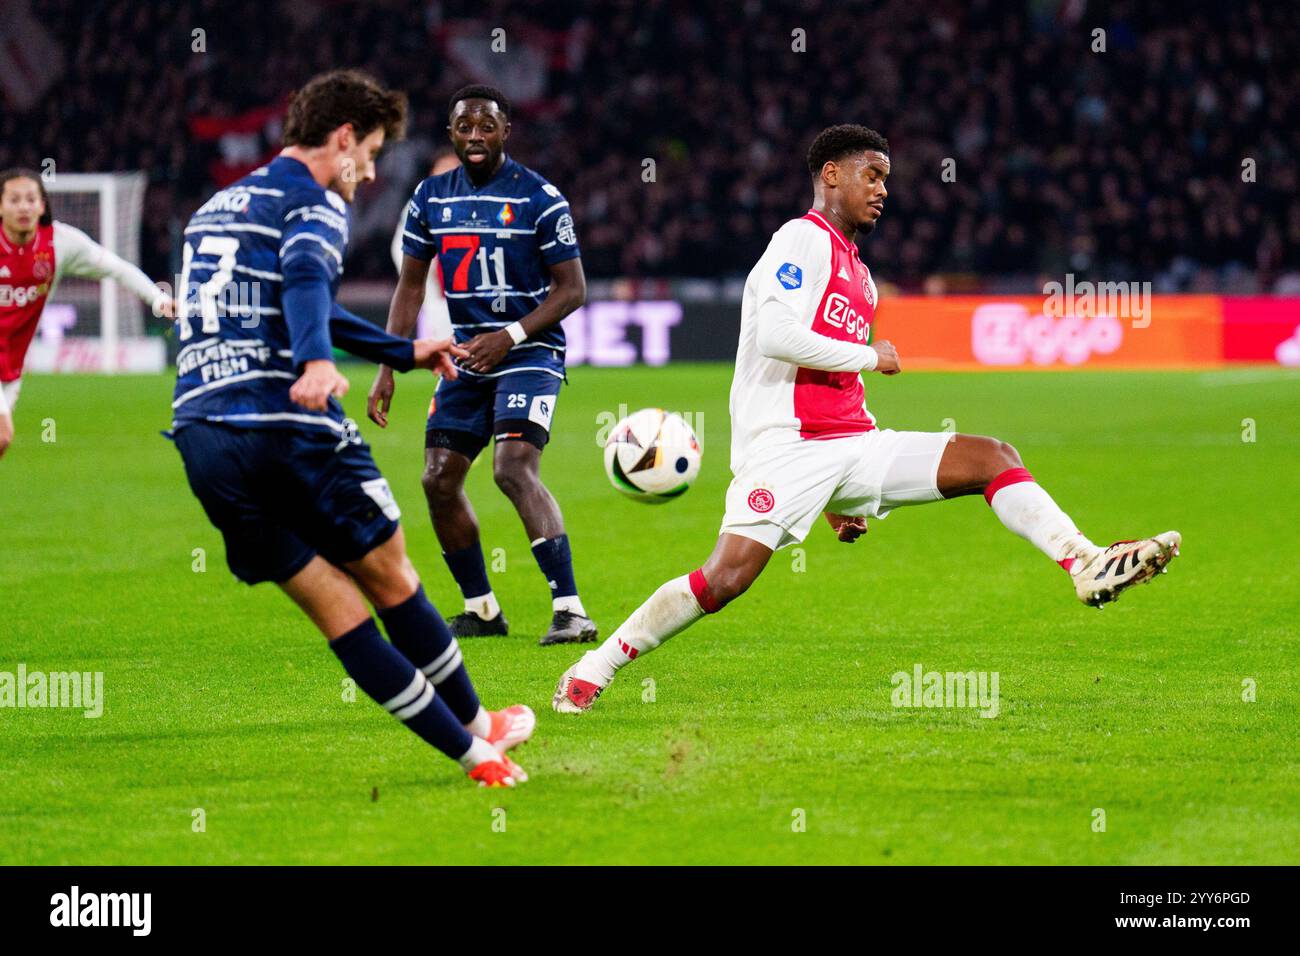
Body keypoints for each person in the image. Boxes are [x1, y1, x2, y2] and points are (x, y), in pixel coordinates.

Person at [552, 124, 1181, 714]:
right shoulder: (801, 239)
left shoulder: (860, 272)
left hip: (853, 440)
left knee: (992, 456)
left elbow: (835, 379)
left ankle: (1084, 560)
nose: (883, 190)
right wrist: (870, 354)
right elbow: (775, 334)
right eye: (872, 175)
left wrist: (838, 490)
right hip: (786, 447)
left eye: (887, 179)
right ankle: (595, 667)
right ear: (831, 175)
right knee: (725, 580)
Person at [171, 69, 533, 786]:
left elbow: (286, 298)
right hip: (286, 422)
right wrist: (312, 362)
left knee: (335, 607)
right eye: (367, 156)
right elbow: (307, 279)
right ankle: (477, 722)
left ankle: (475, 756)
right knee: (391, 573)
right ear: (340, 139)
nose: (366, 175)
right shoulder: (313, 202)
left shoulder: (217, 208)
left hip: (203, 435)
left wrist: (403, 351)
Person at [369, 84, 597, 647]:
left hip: (529, 353)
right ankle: (483, 610)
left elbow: (572, 290)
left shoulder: (539, 198)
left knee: (512, 469)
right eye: (465, 127)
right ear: (451, 133)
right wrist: (389, 366)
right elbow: (410, 286)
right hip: (467, 356)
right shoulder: (430, 197)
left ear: (505, 132)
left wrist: (512, 333)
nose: (475, 136)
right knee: (437, 478)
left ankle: (570, 610)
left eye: (486, 126)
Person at [0, 168, 174, 458]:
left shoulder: (60, 244)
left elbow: (116, 268)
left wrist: (158, 299)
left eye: (31, 199)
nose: (23, 207)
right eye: (14, 199)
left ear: (42, 205)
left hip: (12, 368)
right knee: (3, 435)